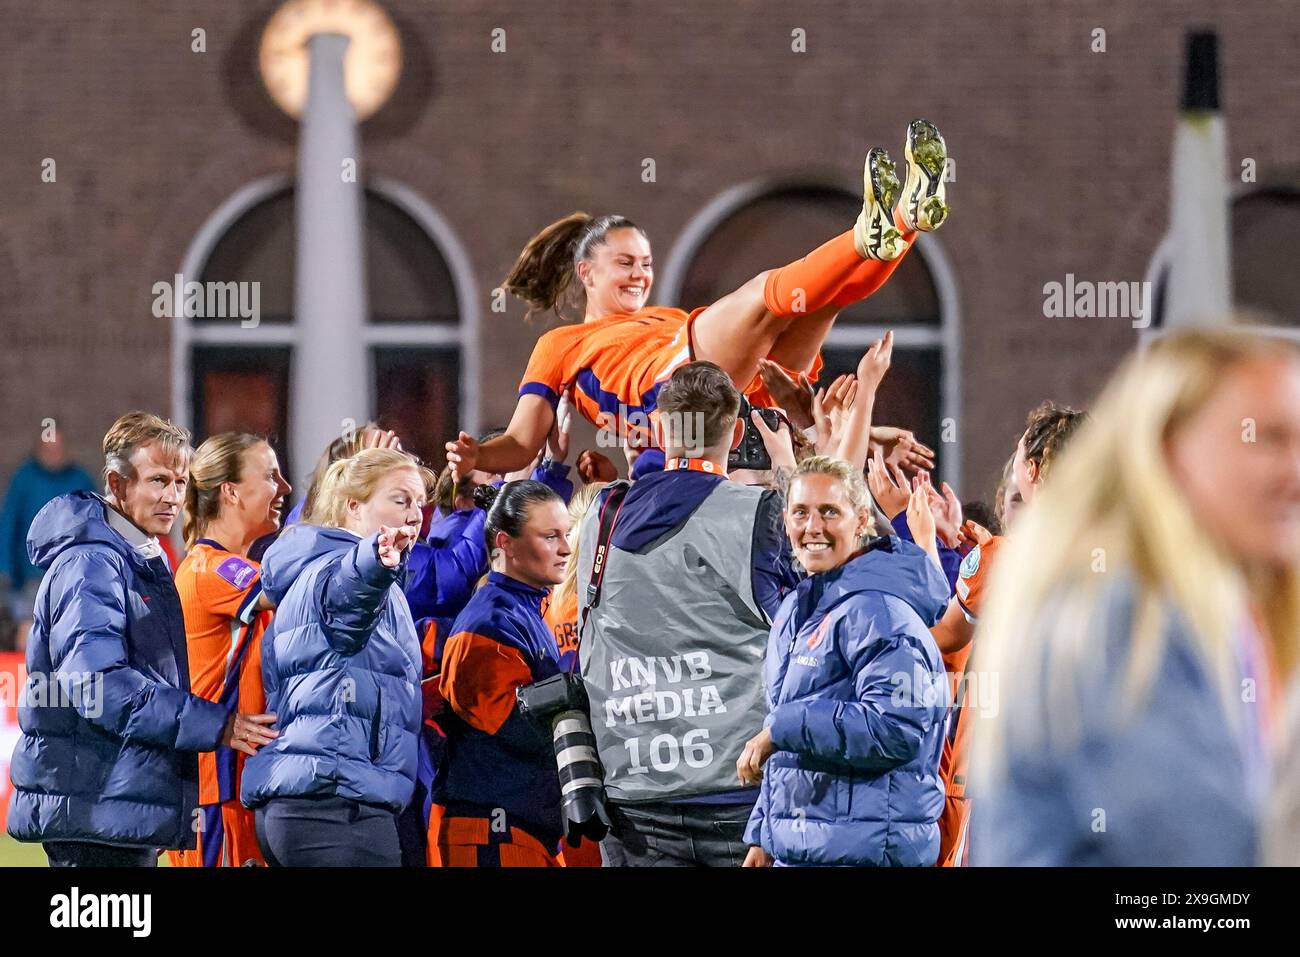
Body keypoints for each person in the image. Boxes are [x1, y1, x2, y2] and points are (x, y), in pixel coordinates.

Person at [446, 120, 950, 478]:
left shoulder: (666, 317)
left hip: (735, 391)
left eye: (646, 263)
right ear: (586, 272)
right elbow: (520, 443)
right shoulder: (562, 343)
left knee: (825, 300)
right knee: (764, 293)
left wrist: (856, 431)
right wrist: (478, 459)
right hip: (675, 381)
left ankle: (906, 217)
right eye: (625, 263)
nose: (639, 275)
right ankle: (868, 233)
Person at [971, 329, 1300, 865]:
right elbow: (1198, 854)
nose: (1294, 470)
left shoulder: (1208, 598)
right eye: (1266, 438)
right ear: (1170, 448)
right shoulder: (1117, 609)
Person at [6, 412, 278, 867]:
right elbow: (100, 686)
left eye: (179, 482)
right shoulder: (93, 564)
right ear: (116, 483)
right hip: (96, 811)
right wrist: (218, 724)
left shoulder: (134, 558)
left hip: (115, 805)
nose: (172, 497)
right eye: (157, 481)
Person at [577, 361, 801, 867]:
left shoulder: (601, 514)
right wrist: (786, 463)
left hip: (632, 791)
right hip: (736, 790)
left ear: (659, 426)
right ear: (738, 430)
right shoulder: (758, 512)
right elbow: (823, 596)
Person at [739, 455, 952, 866]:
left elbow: (896, 727)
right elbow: (795, 741)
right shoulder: (800, 607)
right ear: (785, 520)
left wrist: (782, 728)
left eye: (829, 512)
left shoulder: (881, 610)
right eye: (801, 512)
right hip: (809, 849)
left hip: (867, 852)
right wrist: (764, 835)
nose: (812, 527)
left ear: (861, 520)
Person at [240, 447, 428, 867]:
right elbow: (348, 603)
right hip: (333, 806)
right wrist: (373, 563)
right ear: (354, 506)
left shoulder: (332, 569)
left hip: (317, 801)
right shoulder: (338, 566)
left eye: (419, 503)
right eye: (400, 500)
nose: (415, 514)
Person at [429, 481, 572, 867]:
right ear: (506, 543)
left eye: (567, 534)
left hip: (520, 828)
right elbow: (518, 729)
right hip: (490, 831)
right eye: (550, 536)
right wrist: (577, 695)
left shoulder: (524, 609)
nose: (566, 549)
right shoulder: (489, 621)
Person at [167, 433, 292, 867]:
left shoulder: (228, 567)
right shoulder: (210, 569)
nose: (285, 488)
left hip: (240, 782)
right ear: (231, 492)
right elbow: (298, 588)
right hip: (214, 786)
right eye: (271, 476)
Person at [0, 429, 95, 647]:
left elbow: (95, 525)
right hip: (31, 574)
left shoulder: (80, 479)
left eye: (57, 449)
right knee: (29, 627)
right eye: (47, 450)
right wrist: (5, 567)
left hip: (72, 575)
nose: (53, 455)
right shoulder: (24, 479)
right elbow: (8, 523)